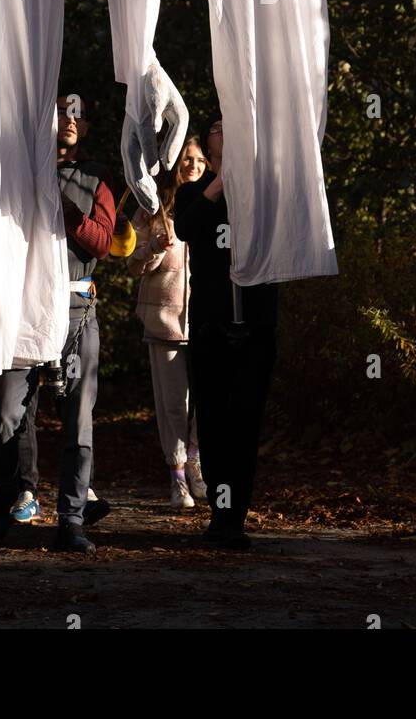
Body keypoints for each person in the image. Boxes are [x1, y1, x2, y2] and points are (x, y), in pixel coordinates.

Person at [0, 94, 115, 553]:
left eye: (76, 114)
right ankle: (8, 494)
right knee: (6, 411)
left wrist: (64, 208)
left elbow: (102, 242)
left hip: (76, 310)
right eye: (61, 113)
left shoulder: (96, 177)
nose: (69, 120)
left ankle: (72, 519)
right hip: (22, 309)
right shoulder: (13, 174)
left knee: (78, 419)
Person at [173, 113, 278, 550]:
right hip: (212, 323)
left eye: (227, 123)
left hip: (255, 324)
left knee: (245, 420)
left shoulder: (262, 190)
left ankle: (236, 516)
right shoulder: (194, 191)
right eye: (216, 126)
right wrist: (220, 185)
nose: (223, 129)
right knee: (214, 419)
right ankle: (220, 511)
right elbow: (186, 227)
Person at [128, 136, 207, 510]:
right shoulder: (152, 209)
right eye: (187, 159)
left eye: (200, 160)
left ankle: (196, 464)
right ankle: (177, 479)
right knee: (173, 405)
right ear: (175, 164)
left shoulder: (214, 207)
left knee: (205, 402)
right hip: (166, 325)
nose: (193, 165)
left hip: (206, 323)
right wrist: (156, 249)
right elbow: (131, 264)